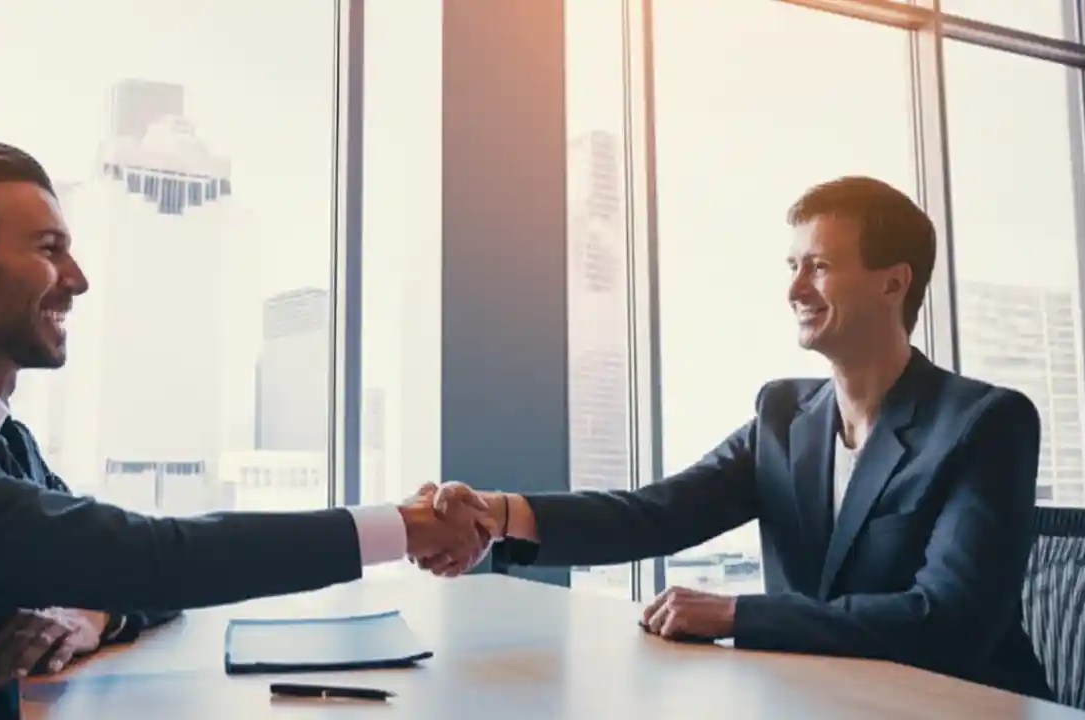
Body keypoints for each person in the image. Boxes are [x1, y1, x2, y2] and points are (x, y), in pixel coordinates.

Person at [0, 141, 491, 719]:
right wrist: (404, 527)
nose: (76, 280)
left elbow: (110, 566)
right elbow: (143, 557)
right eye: (50, 249)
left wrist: (93, 614)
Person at [421, 176, 1052, 700]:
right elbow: (655, 515)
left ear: (894, 282)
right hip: (827, 702)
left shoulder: (985, 423)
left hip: (964, 708)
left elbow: (948, 623)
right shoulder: (785, 416)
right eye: (793, 266)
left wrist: (735, 613)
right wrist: (499, 514)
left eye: (821, 266)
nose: (795, 289)